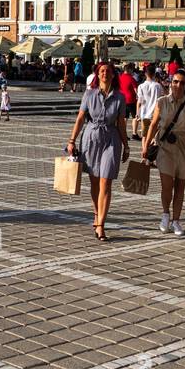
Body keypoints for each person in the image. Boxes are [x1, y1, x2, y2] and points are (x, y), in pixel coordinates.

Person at [66, 60, 130, 241]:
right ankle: (96, 213)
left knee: (106, 181)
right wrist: (72, 140)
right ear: (97, 74)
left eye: (108, 71)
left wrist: (126, 145)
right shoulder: (89, 94)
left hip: (111, 138)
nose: (105, 74)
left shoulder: (120, 97)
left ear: (113, 75)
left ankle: (101, 224)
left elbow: (121, 124)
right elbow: (80, 118)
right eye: (102, 71)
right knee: (95, 182)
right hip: (92, 137)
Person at [142, 68, 185, 237]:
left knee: (180, 187)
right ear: (170, 83)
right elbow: (154, 124)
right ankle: (165, 214)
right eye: (175, 81)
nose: (178, 85)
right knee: (167, 185)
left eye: (182, 83)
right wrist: (146, 145)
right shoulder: (162, 102)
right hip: (165, 147)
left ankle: (176, 220)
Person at [136, 64, 164, 144]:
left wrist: (137, 113)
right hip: (155, 114)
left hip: (144, 114)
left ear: (145, 74)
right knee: (154, 136)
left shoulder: (141, 86)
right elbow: (164, 96)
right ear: (154, 74)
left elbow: (139, 101)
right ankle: (152, 153)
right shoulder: (157, 86)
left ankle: (144, 153)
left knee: (144, 136)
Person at [118, 63, 138, 137]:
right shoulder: (131, 78)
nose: (132, 71)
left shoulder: (120, 78)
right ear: (129, 70)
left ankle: (123, 133)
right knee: (134, 116)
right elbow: (136, 90)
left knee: (124, 117)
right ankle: (134, 133)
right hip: (131, 100)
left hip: (122, 99)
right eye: (132, 70)